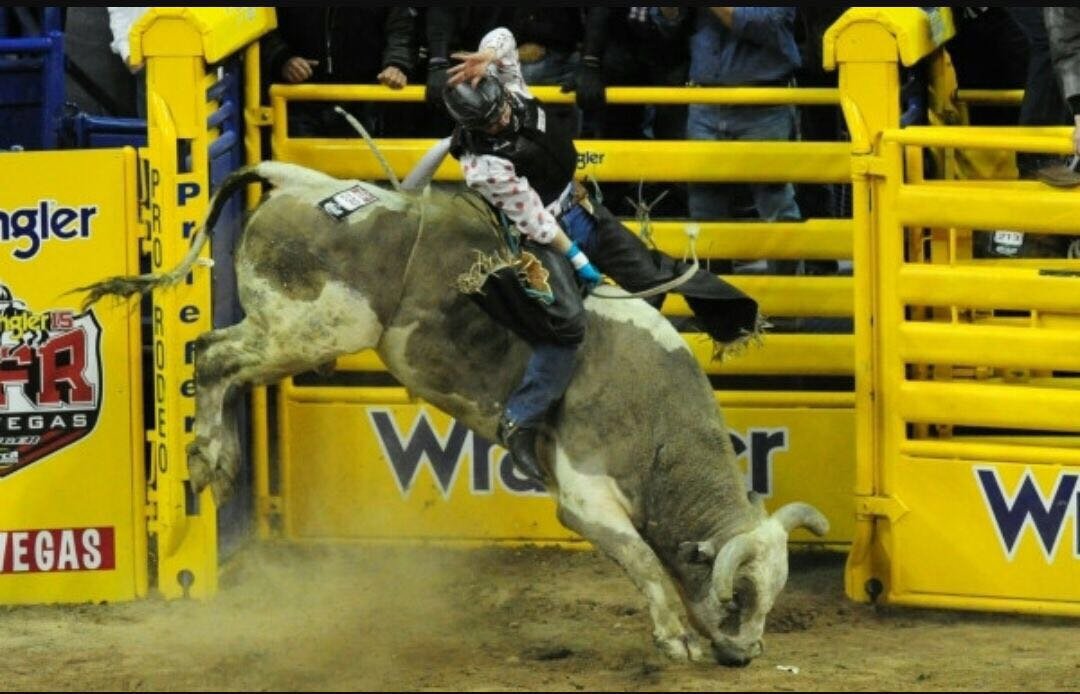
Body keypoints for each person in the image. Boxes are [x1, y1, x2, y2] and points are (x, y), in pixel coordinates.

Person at [436, 27, 760, 485]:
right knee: (565, 325)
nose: (503, 121)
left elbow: (505, 37)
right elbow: (534, 222)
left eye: (501, 110)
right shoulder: (484, 165)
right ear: (472, 127)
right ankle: (522, 418)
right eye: (490, 121)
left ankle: (614, 375)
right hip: (542, 239)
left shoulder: (509, 90)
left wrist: (486, 55)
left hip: (581, 205)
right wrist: (580, 261)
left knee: (649, 277)